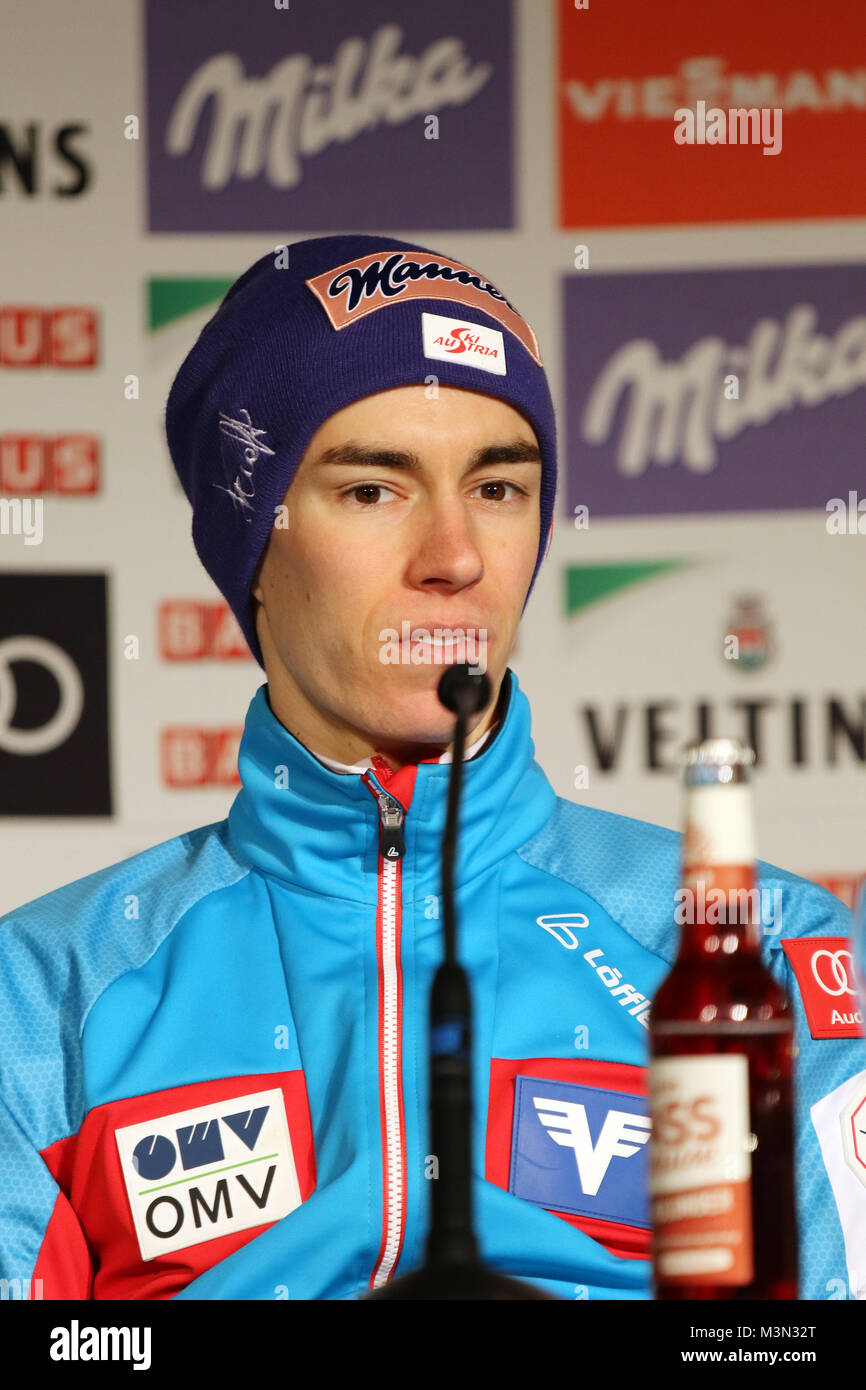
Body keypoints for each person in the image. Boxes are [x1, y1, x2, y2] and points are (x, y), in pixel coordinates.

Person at [0, 235, 860, 1301]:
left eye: (498, 486)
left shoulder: (764, 955)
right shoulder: (38, 997)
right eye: (372, 489)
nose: (454, 555)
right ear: (251, 543)